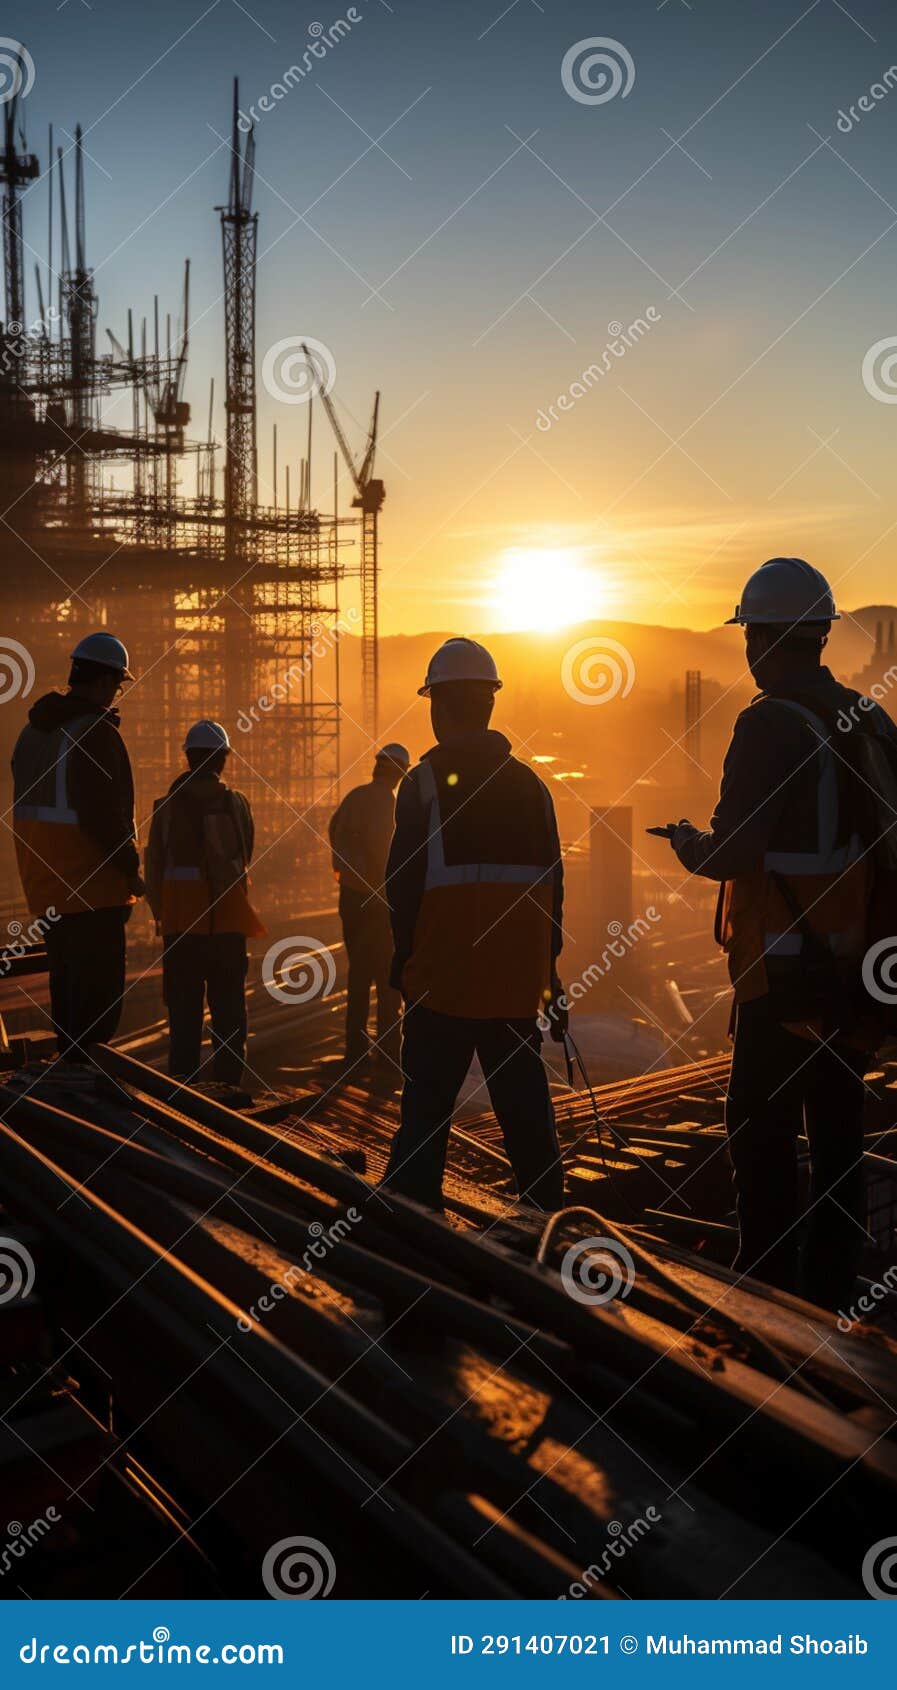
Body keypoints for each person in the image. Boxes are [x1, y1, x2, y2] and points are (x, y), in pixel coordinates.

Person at [664, 557, 897, 1309]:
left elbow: (734, 851)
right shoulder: (872, 721)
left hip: (782, 976)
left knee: (759, 1136)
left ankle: (764, 1302)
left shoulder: (767, 724)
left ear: (761, 640)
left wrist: (687, 843)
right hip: (856, 975)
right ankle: (827, 1303)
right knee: (836, 1141)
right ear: (820, 635)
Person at [381, 636, 566, 1212]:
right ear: (489, 703)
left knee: (427, 1110)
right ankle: (548, 1220)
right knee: (526, 1111)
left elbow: (401, 886)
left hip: (445, 979)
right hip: (514, 984)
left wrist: (404, 958)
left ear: (438, 706)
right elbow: (554, 890)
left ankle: (412, 1225)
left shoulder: (423, 783)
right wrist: (549, 972)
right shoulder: (533, 788)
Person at [11, 632, 143, 1066]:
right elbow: (104, 818)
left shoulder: (33, 735)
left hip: (46, 887)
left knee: (68, 994)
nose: (115, 694)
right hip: (92, 890)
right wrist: (131, 870)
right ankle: (89, 1083)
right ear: (104, 681)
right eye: (116, 685)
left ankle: (71, 1078)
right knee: (99, 1005)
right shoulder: (93, 734)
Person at [145, 719, 264, 1089]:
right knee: (229, 1016)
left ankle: (183, 1094)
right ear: (222, 759)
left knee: (184, 1017)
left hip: (181, 928)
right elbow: (246, 853)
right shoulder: (237, 804)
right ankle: (228, 1089)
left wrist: (163, 915)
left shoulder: (165, 809)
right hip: (227, 927)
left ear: (188, 757)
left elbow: (153, 869)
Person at [328, 743, 410, 1069]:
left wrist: (349, 871)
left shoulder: (355, 797)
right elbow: (383, 853)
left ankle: (356, 1052)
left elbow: (334, 831)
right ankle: (388, 1056)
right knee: (388, 980)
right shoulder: (388, 804)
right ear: (399, 773)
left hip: (351, 898)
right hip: (378, 903)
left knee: (359, 977)